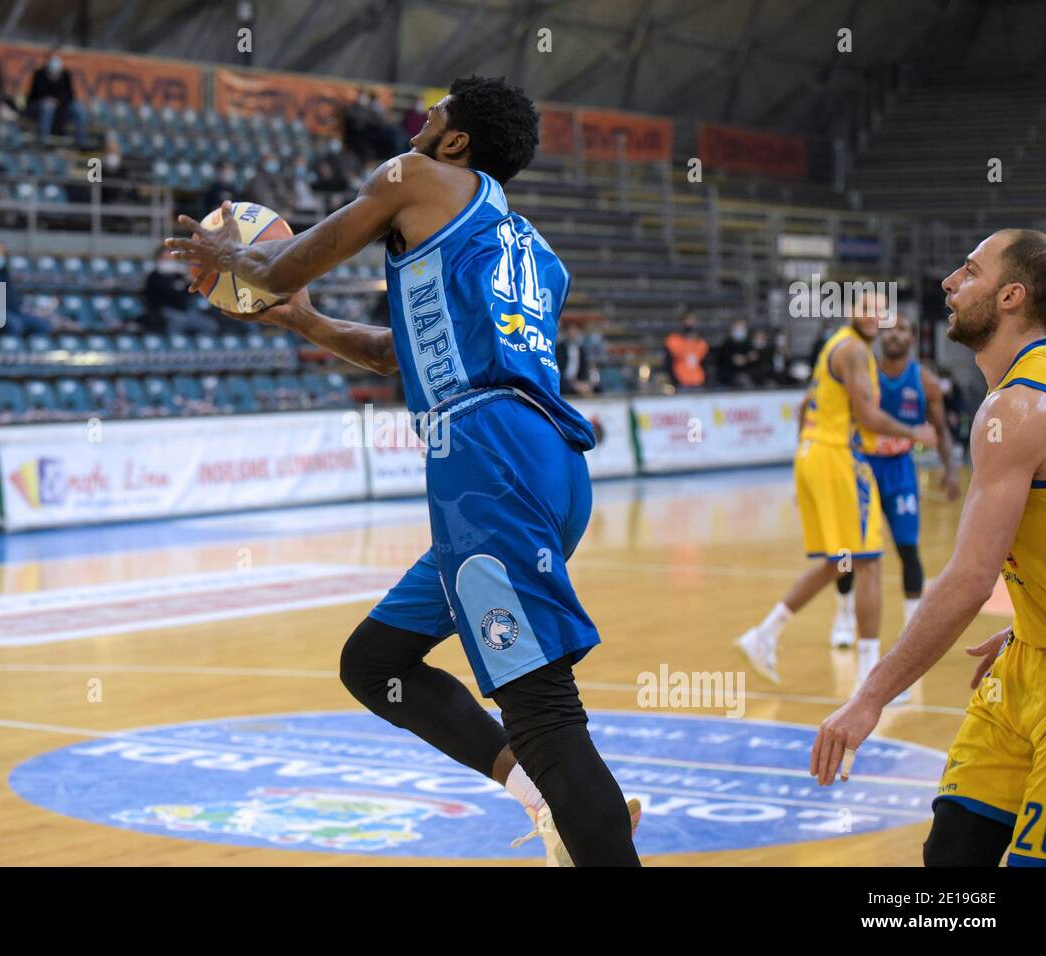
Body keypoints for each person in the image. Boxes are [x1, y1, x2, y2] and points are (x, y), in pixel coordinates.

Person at [168, 75, 642, 867]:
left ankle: (581, 818)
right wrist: (311, 324)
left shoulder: (413, 176)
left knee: (544, 713)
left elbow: (281, 266)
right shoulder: (529, 246)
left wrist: (232, 257)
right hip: (550, 461)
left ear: (455, 141)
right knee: (375, 664)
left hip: (486, 456)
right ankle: (541, 798)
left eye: (436, 112)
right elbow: (398, 351)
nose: (419, 121)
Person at [810, 229, 1046, 869]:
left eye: (969, 271)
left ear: (1010, 297)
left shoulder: (1020, 408)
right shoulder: (1017, 396)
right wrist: (1030, 622)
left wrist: (870, 696)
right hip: (1024, 660)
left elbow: (970, 579)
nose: (949, 282)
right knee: (951, 857)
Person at [734, 290, 938, 689]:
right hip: (838, 456)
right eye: (866, 309)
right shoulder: (855, 351)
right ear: (851, 311)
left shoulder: (835, 345)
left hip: (813, 454)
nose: (873, 316)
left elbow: (805, 406)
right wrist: (914, 432)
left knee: (838, 562)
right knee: (869, 563)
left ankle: (764, 634)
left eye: (879, 311)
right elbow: (869, 416)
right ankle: (869, 676)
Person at [830, 312, 961, 655]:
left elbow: (941, 430)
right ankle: (843, 613)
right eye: (888, 329)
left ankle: (911, 629)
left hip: (900, 469)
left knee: (908, 549)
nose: (893, 335)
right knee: (847, 550)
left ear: (912, 338)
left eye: (901, 329)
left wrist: (950, 470)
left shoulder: (925, 382)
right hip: (861, 466)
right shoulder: (862, 373)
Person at [142, 244, 218, 336]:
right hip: (163, 310)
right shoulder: (154, 276)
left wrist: (188, 279)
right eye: (166, 259)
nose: (169, 262)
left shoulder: (178, 276)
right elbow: (168, 294)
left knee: (209, 325)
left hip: (183, 311)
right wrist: (177, 285)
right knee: (178, 322)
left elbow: (190, 292)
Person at [25, 51, 87, 147]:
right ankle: (43, 141)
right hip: (39, 107)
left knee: (79, 109)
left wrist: (57, 101)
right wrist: (49, 100)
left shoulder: (65, 75)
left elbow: (70, 95)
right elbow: (35, 94)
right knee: (47, 107)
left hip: (62, 106)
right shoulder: (39, 74)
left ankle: (81, 142)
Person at [663, 311, 708, 389]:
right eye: (688, 320)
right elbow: (669, 362)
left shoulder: (701, 342)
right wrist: (673, 380)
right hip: (681, 381)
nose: (691, 323)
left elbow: (703, 362)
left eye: (693, 320)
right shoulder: (673, 340)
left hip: (698, 380)